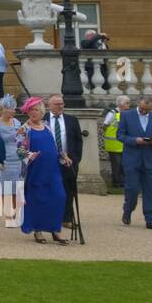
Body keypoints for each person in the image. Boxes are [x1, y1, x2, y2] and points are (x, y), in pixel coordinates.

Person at [15, 97, 68, 245]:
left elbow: (55, 147)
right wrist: (30, 155)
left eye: (36, 109)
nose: (33, 112)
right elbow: (19, 151)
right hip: (35, 170)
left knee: (59, 196)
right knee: (37, 199)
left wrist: (64, 156)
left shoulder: (47, 126)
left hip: (52, 170)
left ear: (42, 111)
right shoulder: (24, 129)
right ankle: (37, 230)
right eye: (30, 109)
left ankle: (55, 229)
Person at [118, 95, 152, 231]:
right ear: (138, 104)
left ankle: (151, 219)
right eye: (142, 109)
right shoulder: (126, 116)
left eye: (147, 109)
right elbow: (120, 135)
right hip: (132, 158)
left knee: (151, 190)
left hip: (151, 159)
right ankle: (128, 209)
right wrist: (135, 140)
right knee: (132, 189)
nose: (144, 111)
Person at [46, 93, 84, 228]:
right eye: (57, 104)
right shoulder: (43, 120)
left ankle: (67, 218)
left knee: (68, 190)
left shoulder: (72, 120)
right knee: (49, 190)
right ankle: (50, 217)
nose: (60, 106)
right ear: (49, 106)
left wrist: (76, 158)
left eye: (62, 103)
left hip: (68, 161)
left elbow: (79, 141)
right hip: (49, 161)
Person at [0, 96, 23, 226]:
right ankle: (8, 217)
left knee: (17, 188)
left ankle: (17, 214)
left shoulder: (17, 122)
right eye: (11, 109)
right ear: (4, 110)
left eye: (14, 108)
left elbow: (22, 139)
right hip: (4, 159)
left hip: (18, 158)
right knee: (6, 189)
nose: (14, 111)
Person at [103, 95, 129, 188]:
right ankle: (116, 182)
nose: (128, 105)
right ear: (121, 104)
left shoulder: (127, 113)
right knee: (116, 164)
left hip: (123, 144)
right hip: (113, 144)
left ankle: (123, 181)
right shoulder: (112, 113)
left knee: (124, 164)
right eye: (127, 103)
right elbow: (105, 125)